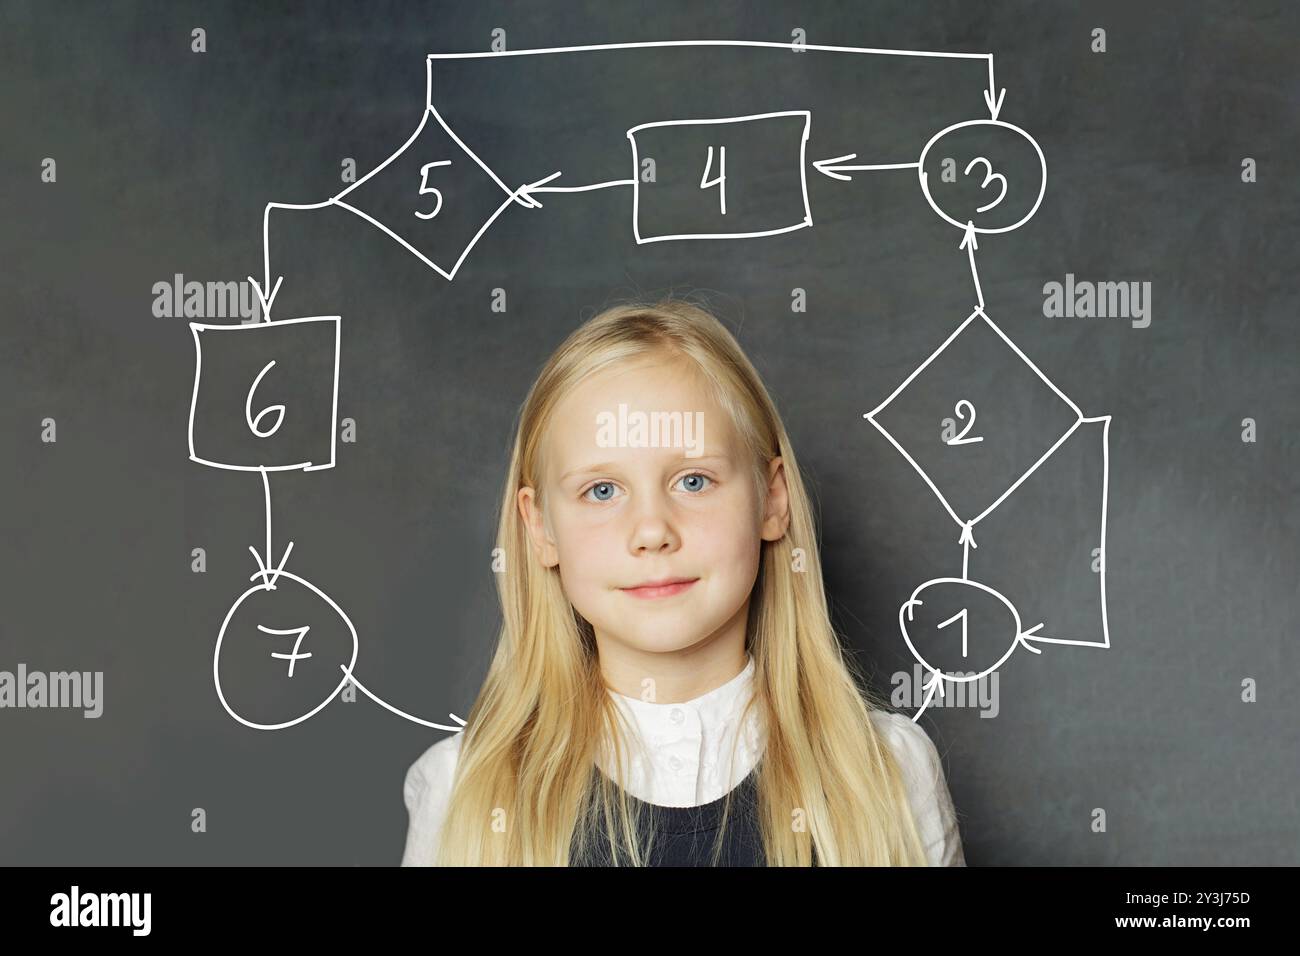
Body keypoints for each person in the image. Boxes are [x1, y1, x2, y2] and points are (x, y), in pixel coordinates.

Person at [401, 296, 965, 866]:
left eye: (694, 481)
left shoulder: (887, 774)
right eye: (602, 491)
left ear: (772, 500)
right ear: (540, 527)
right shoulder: (464, 794)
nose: (651, 531)